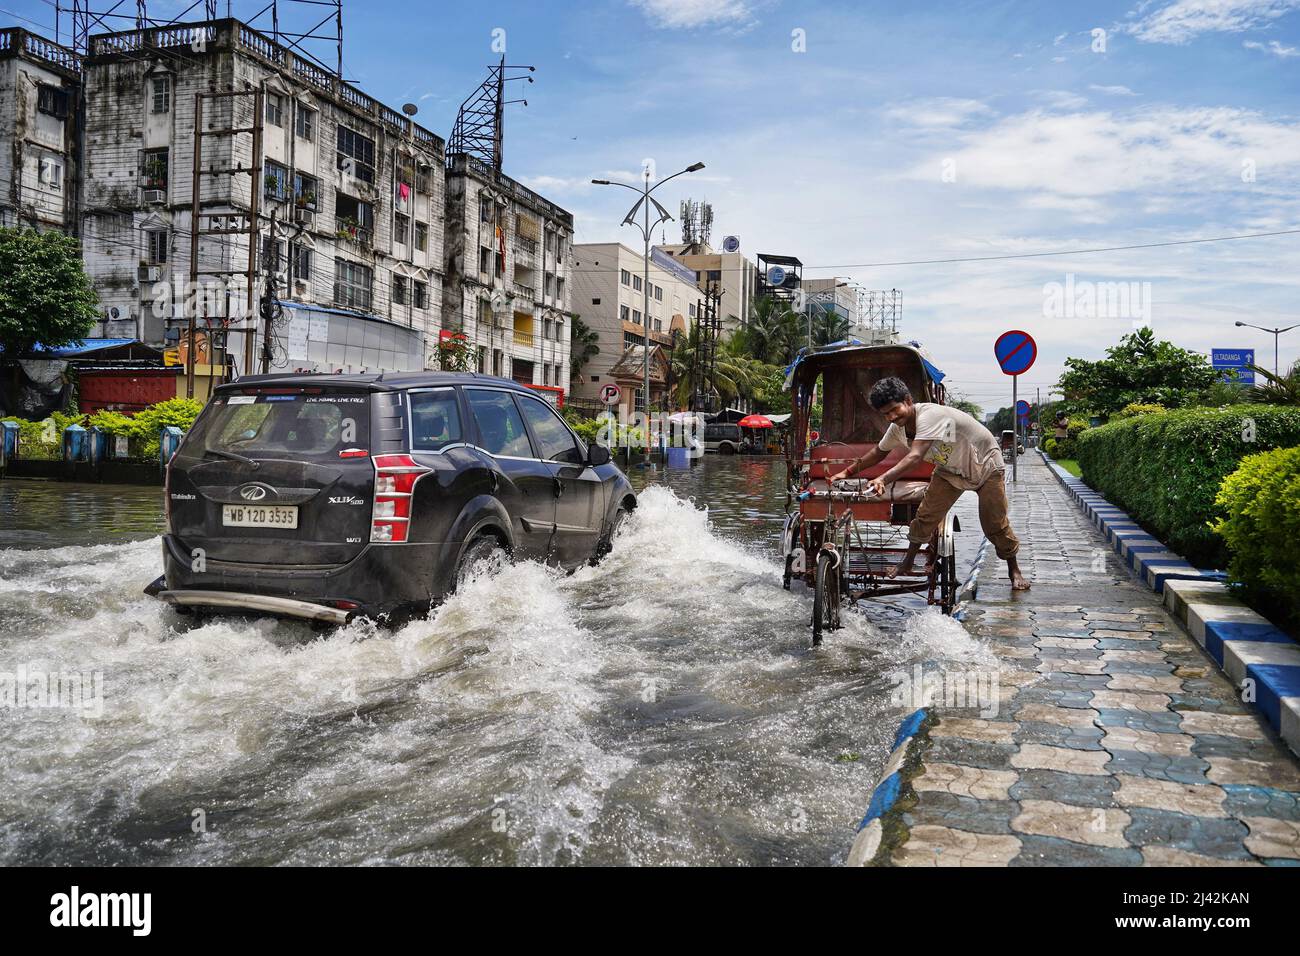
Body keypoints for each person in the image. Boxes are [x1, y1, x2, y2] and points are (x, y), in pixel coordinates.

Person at [829, 377, 1029, 590]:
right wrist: (846, 472)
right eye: (886, 414)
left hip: (986, 465)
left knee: (994, 524)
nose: (892, 417)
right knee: (926, 515)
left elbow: (915, 457)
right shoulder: (897, 428)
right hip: (950, 470)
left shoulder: (929, 415)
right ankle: (907, 563)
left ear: (908, 400)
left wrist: (882, 479)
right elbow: (878, 452)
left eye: (895, 409)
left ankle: (1013, 569)